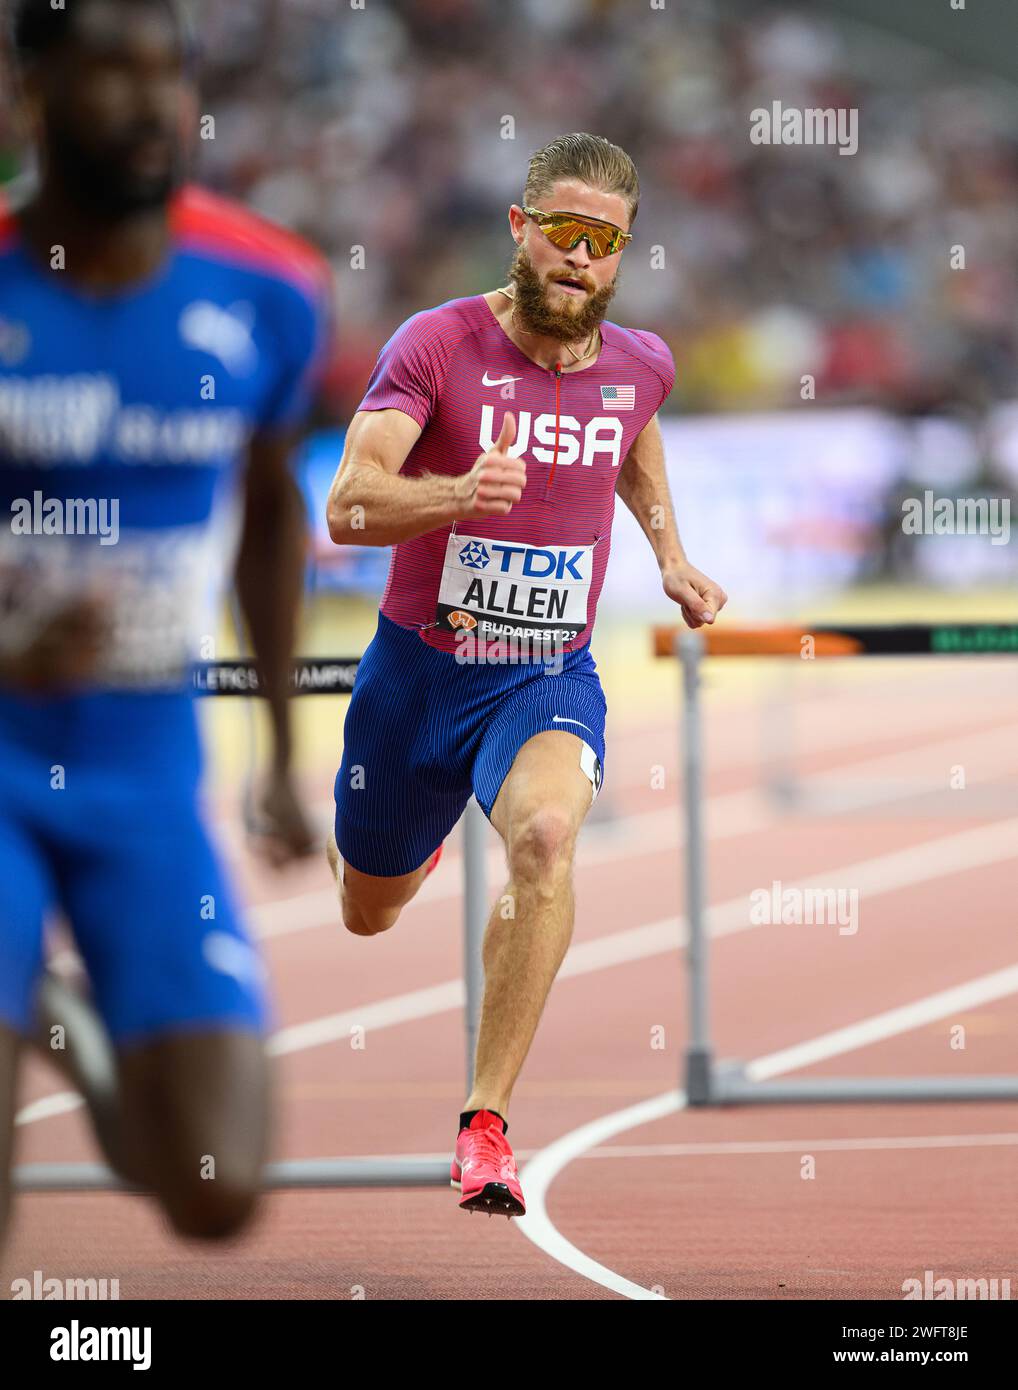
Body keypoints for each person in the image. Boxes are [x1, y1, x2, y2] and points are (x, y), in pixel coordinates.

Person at [326, 132, 727, 1217]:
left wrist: (670, 555)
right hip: (414, 680)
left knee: (546, 841)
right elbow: (348, 503)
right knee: (371, 909)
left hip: (540, 677)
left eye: (604, 242)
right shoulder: (437, 345)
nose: (580, 259)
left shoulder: (640, 363)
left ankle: (485, 1123)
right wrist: (454, 496)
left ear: (622, 254)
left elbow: (633, 440)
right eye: (563, 232)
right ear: (521, 229)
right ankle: (391, 849)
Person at [0, 0, 331, 1247]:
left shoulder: (269, 291)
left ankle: (69, 1022)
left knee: (211, 1183)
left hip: (147, 779)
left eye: (168, 71)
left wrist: (288, 761)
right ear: (30, 86)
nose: (148, 104)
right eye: (108, 73)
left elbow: (267, 519)